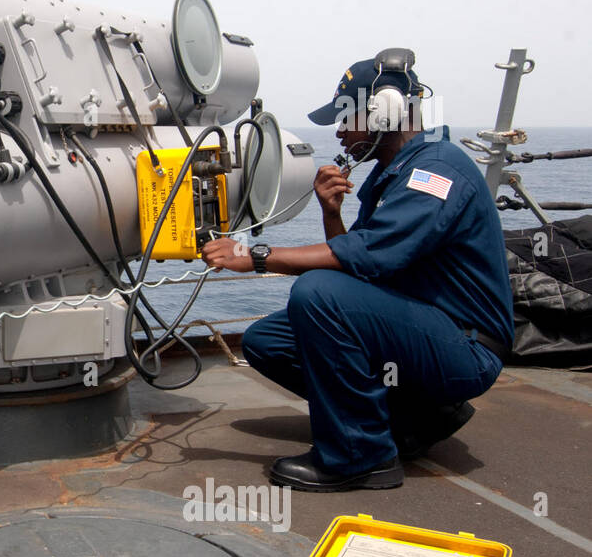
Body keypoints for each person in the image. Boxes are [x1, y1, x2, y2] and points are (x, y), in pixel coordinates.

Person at [200, 49, 513, 491]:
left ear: (384, 111)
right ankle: (412, 418)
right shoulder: (392, 175)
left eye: (346, 119)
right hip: (417, 334)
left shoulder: (436, 171)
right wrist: (332, 214)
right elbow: (362, 269)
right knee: (266, 340)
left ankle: (361, 456)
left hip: (464, 346)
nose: (341, 133)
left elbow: (367, 257)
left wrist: (255, 255)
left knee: (319, 294)